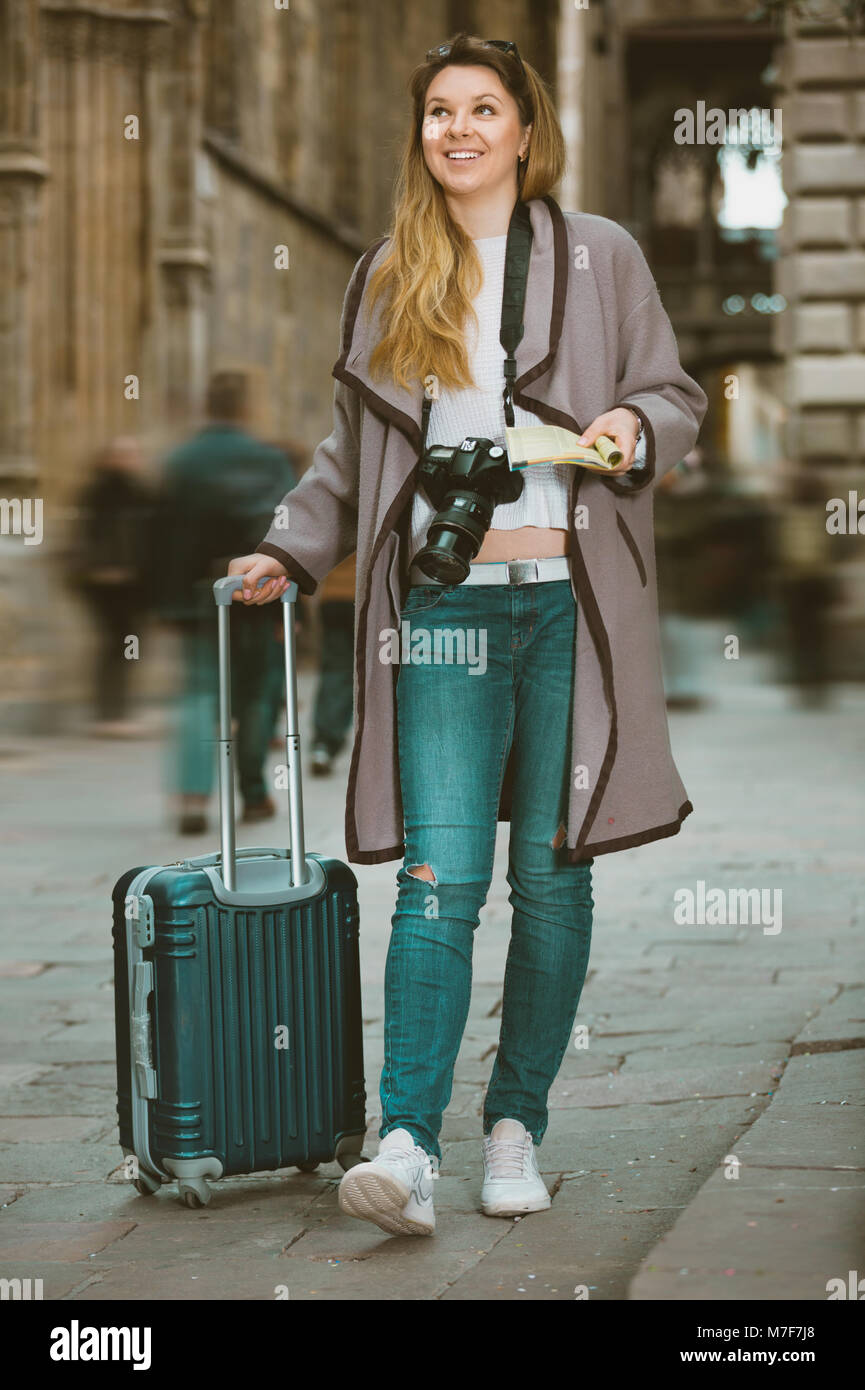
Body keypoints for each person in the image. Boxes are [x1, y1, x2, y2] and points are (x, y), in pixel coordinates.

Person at [224, 34, 707, 1236]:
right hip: (439, 611)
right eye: (439, 111)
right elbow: (353, 449)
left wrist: (630, 427)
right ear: (422, 133)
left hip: (568, 610)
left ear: (525, 132)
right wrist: (289, 546)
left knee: (550, 883)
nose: (459, 129)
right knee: (439, 883)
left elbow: (673, 397)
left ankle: (513, 1128)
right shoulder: (391, 271)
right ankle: (403, 1141)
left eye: (483, 109)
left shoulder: (601, 257)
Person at [155, 370, 298, 834]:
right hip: (258, 594)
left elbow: (163, 538)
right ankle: (254, 795)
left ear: (208, 405)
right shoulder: (269, 461)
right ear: (243, 408)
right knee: (258, 694)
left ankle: (194, 800)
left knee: (201, 693)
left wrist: (168, 603)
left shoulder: (182, 462)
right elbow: (287, 534)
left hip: (198, 597)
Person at [68, 436, 155, 736]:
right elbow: (91, 535)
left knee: (125, 644)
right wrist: (103, 567)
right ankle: (110, 713)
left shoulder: (138, 491)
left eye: (133, 453)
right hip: (107, 581)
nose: (130, 460)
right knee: (117, 644)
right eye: (123, 454)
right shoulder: (102, 492)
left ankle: (115, 711)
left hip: (131, 582)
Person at [309, 552, 356, 775]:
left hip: (333, 596)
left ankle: (324, 745)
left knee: (336, 672)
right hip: (368, 596)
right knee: (381, 673)